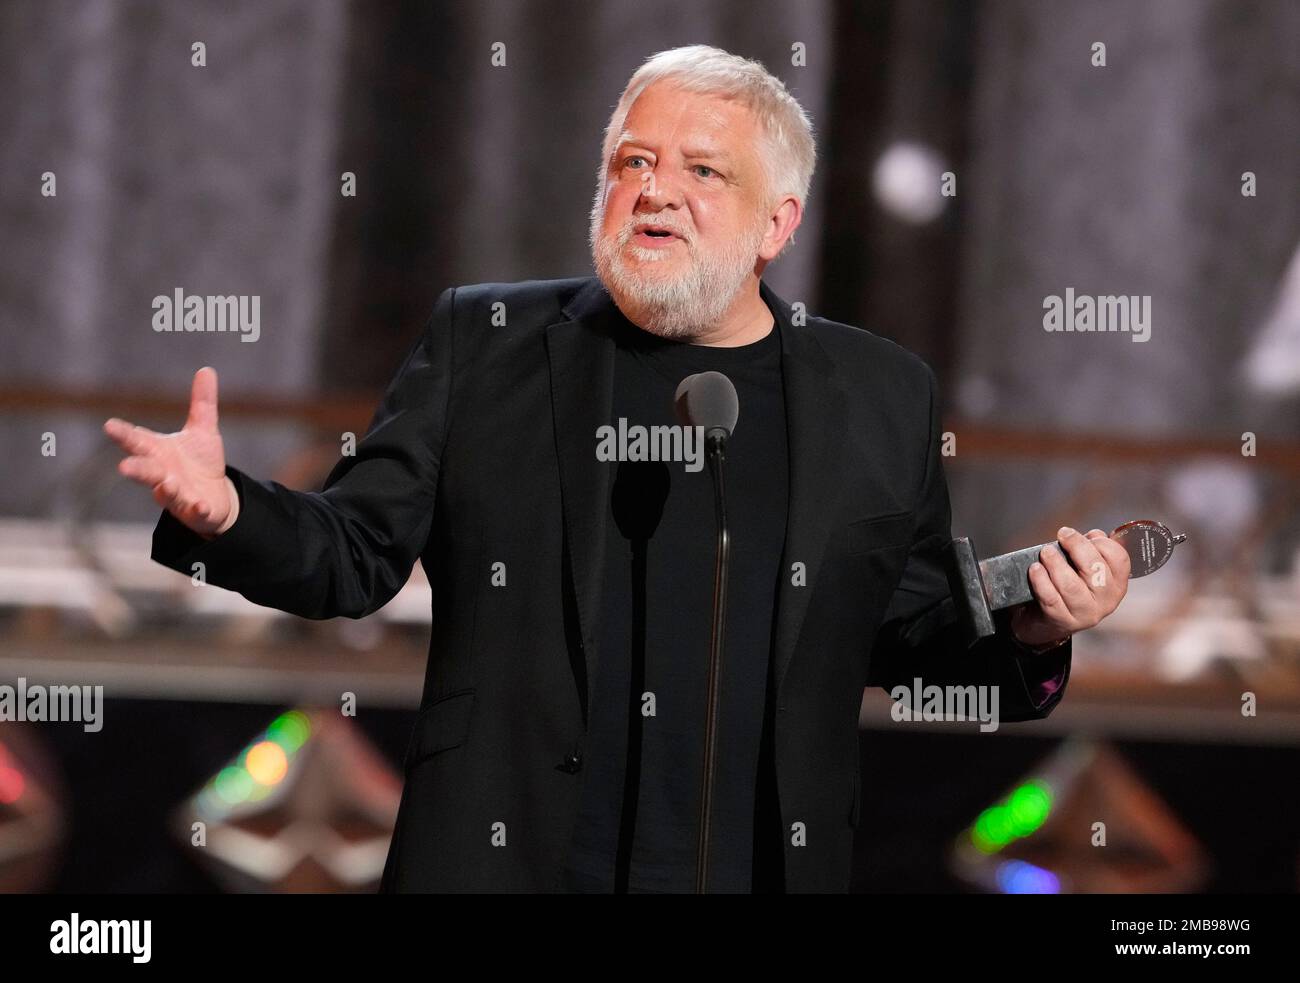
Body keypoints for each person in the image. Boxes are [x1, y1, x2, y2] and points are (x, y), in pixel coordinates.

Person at [103, 45, 1130, 893]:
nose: (654, 191)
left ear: (779, 222)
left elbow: (904, 633)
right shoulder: (490, 341)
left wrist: (1034, 623)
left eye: (701, 170)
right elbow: (353, 555)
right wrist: (228, 510)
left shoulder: (877, 391)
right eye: (630, 163)